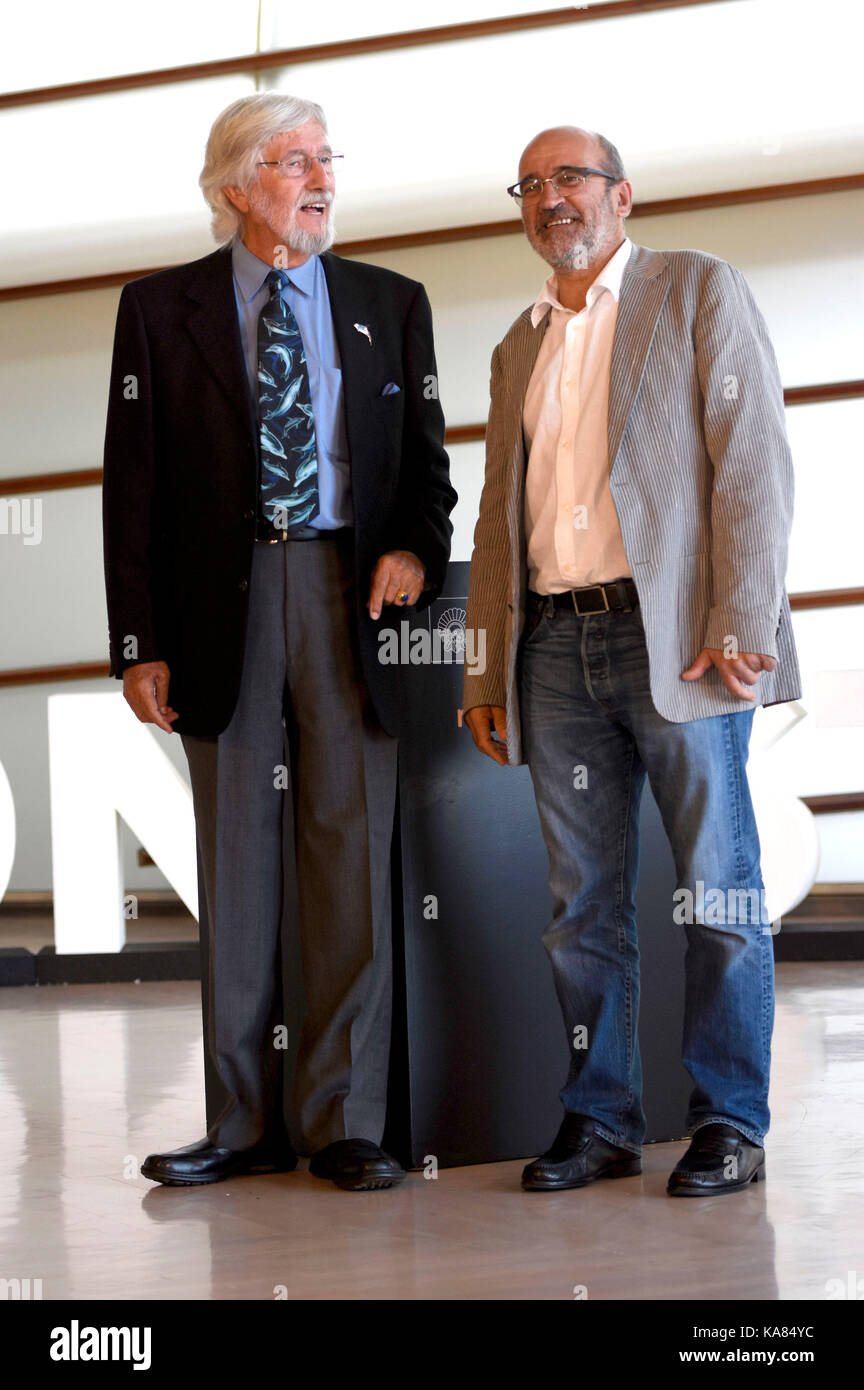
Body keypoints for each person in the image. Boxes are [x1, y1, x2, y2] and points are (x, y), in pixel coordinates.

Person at [103, 92, 456, 1192]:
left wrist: (415, 550)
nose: (321, 178)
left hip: (351, 593)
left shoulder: (390, 302)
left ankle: (343, 1118)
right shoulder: (159, 311)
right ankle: (239, 1119)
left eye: (325, 158)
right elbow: (134, 486)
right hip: (222, 606)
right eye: (294, 160)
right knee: (238, 867)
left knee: (348, 853)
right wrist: (136, 640)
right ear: (234, 188)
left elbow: (430, 474)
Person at [463, 126, 800, 1197]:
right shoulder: (518, 345)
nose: (551, 198)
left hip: (685, 642)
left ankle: (729, 1122)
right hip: (555, 648)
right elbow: (493, 527)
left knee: (718, 888)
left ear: (623, 196)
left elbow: (750, 457)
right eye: (532, 185)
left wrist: (746, 613)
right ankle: (601, 1117)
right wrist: (483, 668)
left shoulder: (696, 289)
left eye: (571, 178)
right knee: (581, 903)